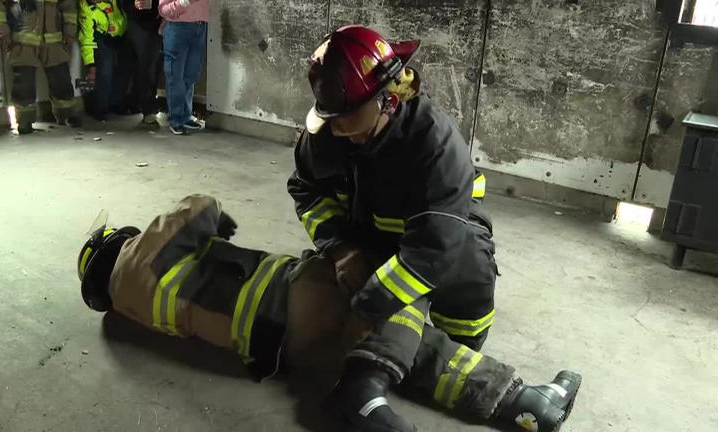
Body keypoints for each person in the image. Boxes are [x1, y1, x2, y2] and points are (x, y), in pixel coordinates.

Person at [78, 194, 581, 432]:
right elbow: (199, 205)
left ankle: (521, 403)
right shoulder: (138, 255)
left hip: (272, 345)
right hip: (281, 296)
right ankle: (362, 395)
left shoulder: (132, 307)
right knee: (395, 283)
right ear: (115, 244)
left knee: (398, 342)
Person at [288, 25, 500, 430]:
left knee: (465, 257)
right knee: (365, 287)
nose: (337, 131)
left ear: (388, 101)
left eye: (348, 120)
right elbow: (306, 191)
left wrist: (366, 310)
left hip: (445, 234)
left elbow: (432, 250)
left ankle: (457, 345)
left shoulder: (435, 145)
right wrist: (340, 249)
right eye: (332, 119)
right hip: (368, 232)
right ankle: (380, 375)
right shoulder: (331, 129)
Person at [0, 0, 82, 134]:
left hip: (54, 38)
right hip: (22, 39)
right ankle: (24, 120)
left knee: (61, 78)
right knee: (23, 82)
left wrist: (70, 31)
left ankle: (67, 114)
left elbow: (69, 5)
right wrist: (2, 32)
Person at [158, 0, 208, 135]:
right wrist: (184, 2)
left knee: (191, 75)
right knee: (175, 75)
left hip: (200, 27)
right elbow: (163, 9)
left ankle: (185, 116)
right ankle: (176, 119)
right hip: (177, 27)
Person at [79, 0, 134, 121]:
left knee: (124, 69)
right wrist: (91, 64)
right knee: (105, 71)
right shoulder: (86, 7)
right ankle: (101, 109)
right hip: (102, 37)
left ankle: (116, 104)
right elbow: (86, 39)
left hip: (122, 36)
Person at [122, 0, 163, 128]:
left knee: (152, 67)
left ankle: (147, 107)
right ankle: (148, 109)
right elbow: (124, 4)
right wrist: (133, 5)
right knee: (146, 67)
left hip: (157, 24)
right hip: (138, 24)